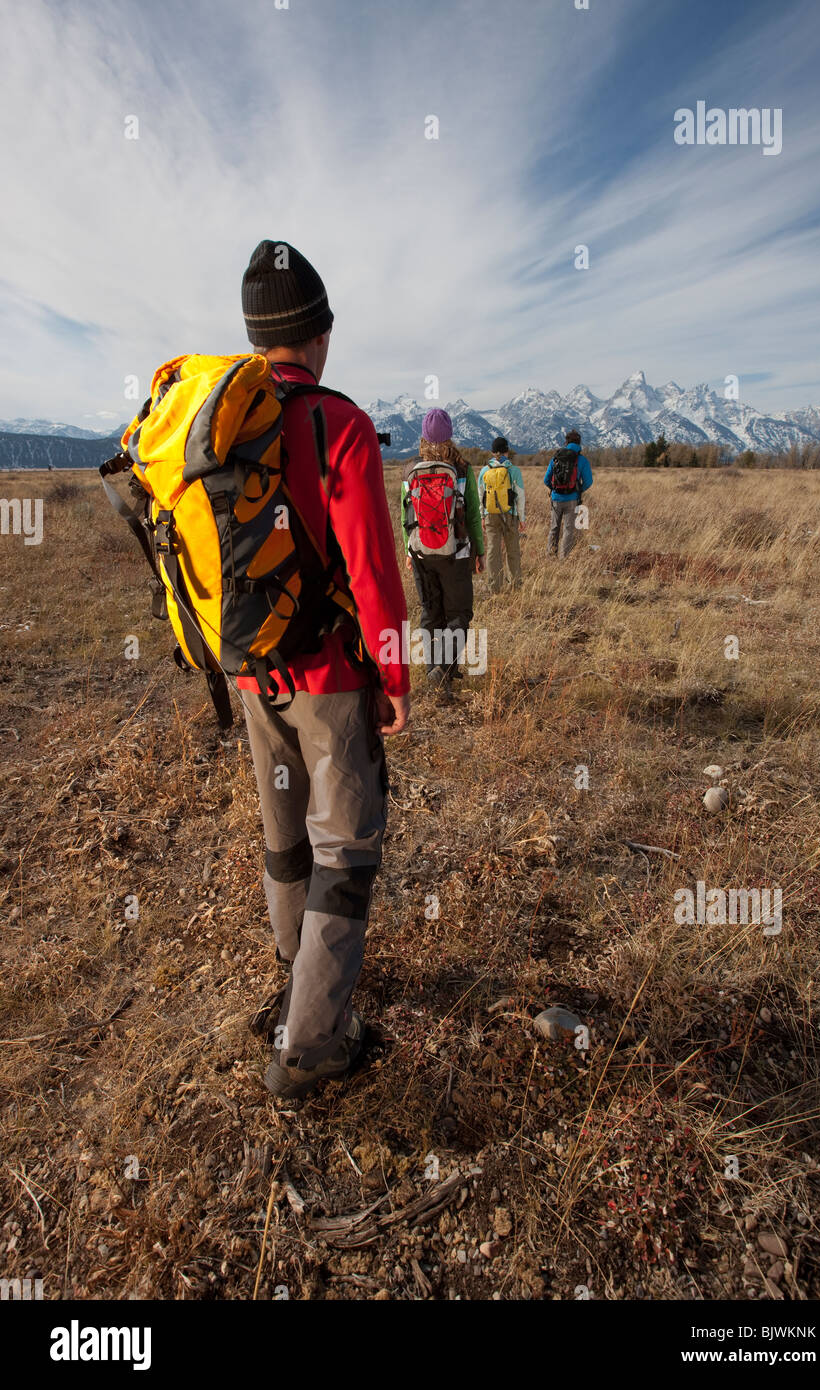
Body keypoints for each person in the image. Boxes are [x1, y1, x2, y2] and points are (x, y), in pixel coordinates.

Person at [237, 239, 410, 1100]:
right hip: (331, 678)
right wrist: (397, 677)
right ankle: (310, 1048)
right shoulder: (337, 424)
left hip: (250, 676)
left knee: (284, 836)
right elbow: (373, 572)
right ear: (320, 334)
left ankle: (293, 974)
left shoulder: (225, 425)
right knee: (346, 852)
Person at [400, 409, 484, 699]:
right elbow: (473, 515)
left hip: (421, 552)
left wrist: (408, 551)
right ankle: (444, 670)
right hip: (457, 554)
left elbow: (404, 516)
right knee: (458, 614)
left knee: (430, 614)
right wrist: (480, 551)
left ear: (423, 437)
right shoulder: (462, 470)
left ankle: (433, 669)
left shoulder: (411, 471)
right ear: (450, 437)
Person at [477, 436, 526, 591]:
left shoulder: (485, 471)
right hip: (510, 515)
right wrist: (522, 518)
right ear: (507, 451)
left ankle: (494, 587)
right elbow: (520, 496)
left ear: (492, 452)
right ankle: (515, 585)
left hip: (490, 514)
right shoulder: (514, 470)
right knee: (513, 550)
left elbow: (480, 496)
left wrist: (482, 516)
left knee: (493, 551)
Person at [543, 429, 593, 559]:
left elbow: (546, 479)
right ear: (579, 443)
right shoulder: (582, 460)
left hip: (555, 498)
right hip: (572, 499)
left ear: (566, 442)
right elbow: (588, 481)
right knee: (568, 530)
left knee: (554, 528)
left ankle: (550, 556)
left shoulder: (556, 457)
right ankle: (563, 558)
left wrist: (553, 488)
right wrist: (578, 490)